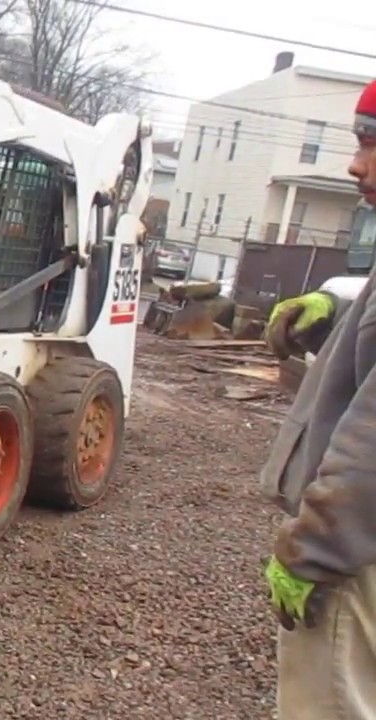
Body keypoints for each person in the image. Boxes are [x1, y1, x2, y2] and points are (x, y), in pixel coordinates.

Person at [260, 77, 376, 719]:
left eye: (373, 142)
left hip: (357, 560)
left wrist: (312, 552)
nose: (355, 163)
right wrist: (336, 307)